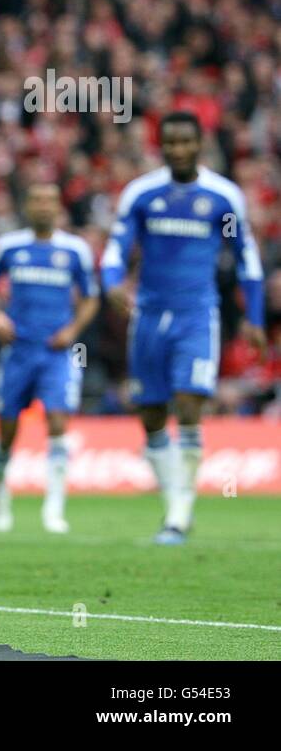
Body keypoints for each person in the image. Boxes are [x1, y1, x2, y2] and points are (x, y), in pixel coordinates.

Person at [101, 112, 265, 544]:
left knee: (189, 405)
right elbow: (116, 247)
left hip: (197, 315)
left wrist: (255, 316)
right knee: (152, 414)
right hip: (149, 318)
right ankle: (175, 504)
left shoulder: (222, 197)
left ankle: (178, 514)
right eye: (169, 143)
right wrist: (111, 283)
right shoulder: (142, 194)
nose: (177, 149)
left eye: (185, 142)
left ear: (199, 144)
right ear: (161, 145)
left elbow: (246, 259)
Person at [0, 183, 99, 534]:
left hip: (57, 353)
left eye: (49, 200)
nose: (43, 206)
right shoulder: (9, 246)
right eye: (36, 199)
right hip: (18, 351)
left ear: (58, 207)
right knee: (7, 427)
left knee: (58, 421)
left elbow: (91, 297)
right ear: (27, 206)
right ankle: (0, 489)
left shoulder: (75, 250)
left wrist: (73, 329)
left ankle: (54, 507)